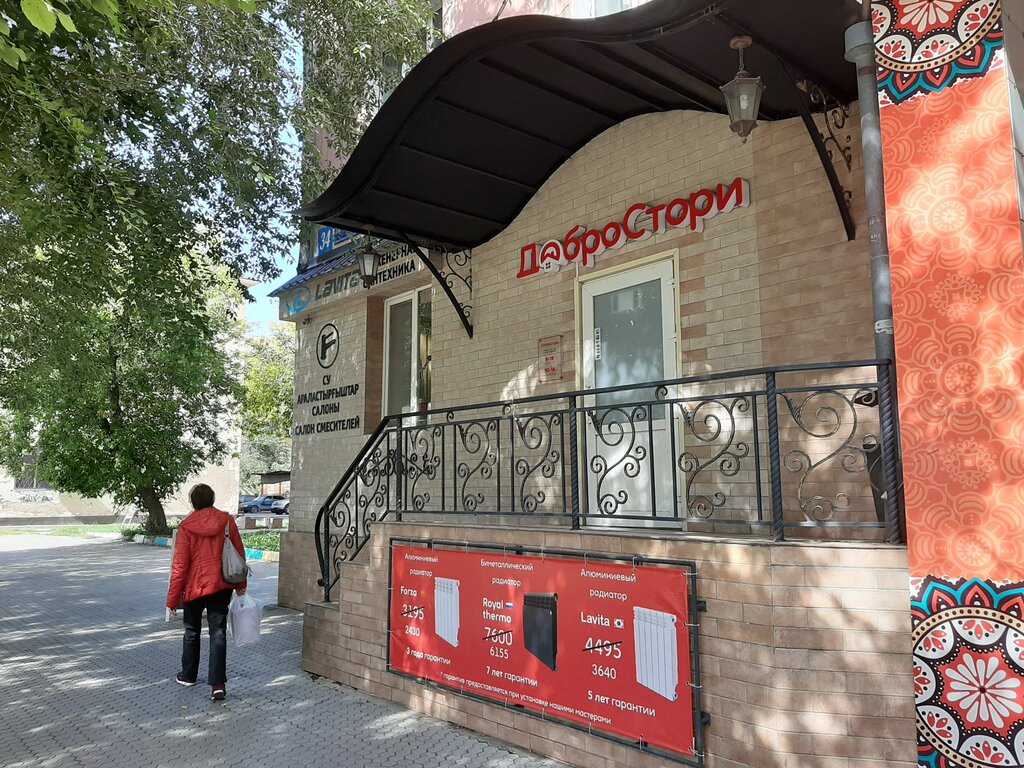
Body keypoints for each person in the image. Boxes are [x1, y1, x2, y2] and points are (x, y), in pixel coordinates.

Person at [166, 483, 247, 701]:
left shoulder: (186, 526)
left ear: (193, 502)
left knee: (191, 631)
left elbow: (180, 566)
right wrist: (241, 584)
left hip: (194, 587)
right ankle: (218, 685)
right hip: (221, 586)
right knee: (218, 632)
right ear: (212, 499)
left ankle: (188, 675)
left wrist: (172, 599)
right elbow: (239, 554)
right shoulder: (226, 521)